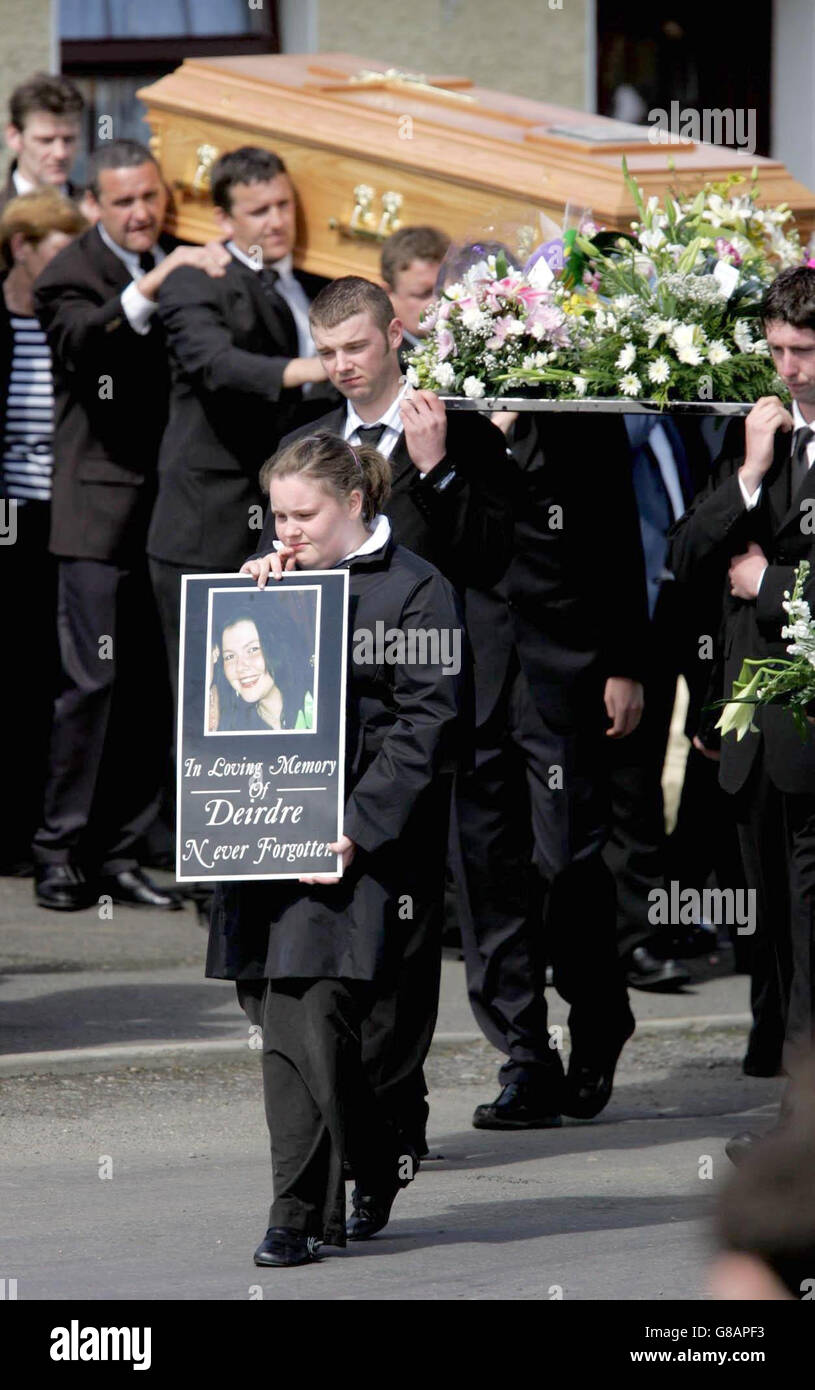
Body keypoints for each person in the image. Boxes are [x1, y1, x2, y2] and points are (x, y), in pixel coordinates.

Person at [252, 275, 512, 1156]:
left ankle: (398, 1114)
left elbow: (494, 558)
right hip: (322, 740)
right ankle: (358, 1136)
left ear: (395, 335)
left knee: (406, 943)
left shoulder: (456, 430)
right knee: (329, 961)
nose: (342, 367)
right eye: (326, 353)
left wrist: (435, 475)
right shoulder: (307, 450)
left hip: (428, 710)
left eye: (355, 347)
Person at [205, 430, 465, 1265]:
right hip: (268, 833)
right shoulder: (276, 582)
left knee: (315, 1013)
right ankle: (357, 1163)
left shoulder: (418, 589)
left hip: (367, 845)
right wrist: (251, 608)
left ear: (354, 503)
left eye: (302, 515)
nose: (284, 531)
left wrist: (352, 825)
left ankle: (302, 1205)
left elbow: (428, 725)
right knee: (273, 1005)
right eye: (276, 515)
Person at [31, 139, 231, 912]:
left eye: (150, 196)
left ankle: (122, 850)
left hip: (171, 510)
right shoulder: (69, 272)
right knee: (92, 684)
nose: (142, 212)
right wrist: (155, 282)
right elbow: (83, 344)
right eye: (124, 202)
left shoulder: (184, 258)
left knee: (153, 686)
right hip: (96, 514)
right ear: (95, 205)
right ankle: (59, 853)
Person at [454, 407, 650, 1128]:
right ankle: (524, 1059)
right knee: (485, 870)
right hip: (469, 674)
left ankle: (598, 1016)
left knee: (568, 860)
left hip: (563, 669)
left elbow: (616, 538)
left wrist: (626, 664)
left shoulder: (579, 421)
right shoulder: (445, 420)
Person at [670, 266, 815, 1156]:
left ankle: (799, 1137)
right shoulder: (759, 440)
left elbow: (753, 581)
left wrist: (772, 585)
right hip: (754, 738)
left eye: (803, 352)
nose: (789, 370)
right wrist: (751, 477)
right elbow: (687, 554)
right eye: (776, 351)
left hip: (810, 735)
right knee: (782, 940)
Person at [148, 146, 333, 703]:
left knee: (282, 693)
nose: (276, 221)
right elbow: (217, 365)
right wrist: (323, 367)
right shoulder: (197, 280)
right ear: (225, 220)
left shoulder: (311, 280)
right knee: (206, 702)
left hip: (294, 534)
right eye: (258, 211)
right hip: (209, 526)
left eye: (283, 205)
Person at [0, 189, 86, 872]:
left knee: (47, 678)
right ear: (22, 248)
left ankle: (36, 830)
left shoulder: (66, 323)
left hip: (58, 519)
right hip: (7, 518)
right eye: (55, 254)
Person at [207, 594, 315, 733]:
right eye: (230, 656)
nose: (240, 667)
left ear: (277, 649)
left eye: (252, 649)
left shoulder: (317, 701)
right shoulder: (230, 728)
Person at [1, 72, 85, 216]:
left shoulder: (96, 214)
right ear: (14, 137)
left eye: (68, 139)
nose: (61, 153)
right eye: (46, 141)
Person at [380, 224, 450, 363]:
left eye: (444, 292)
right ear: (388, 297)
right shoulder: (385, 364)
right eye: (423, 294)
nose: (436, 303)